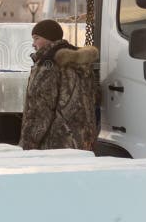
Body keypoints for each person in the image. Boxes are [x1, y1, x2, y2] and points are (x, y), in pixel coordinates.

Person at [18, 20, 99, 151]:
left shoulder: (47, 65)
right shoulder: (81, 64)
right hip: (84, 143)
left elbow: (40, 110)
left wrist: (28, 145)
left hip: (57, 145)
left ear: (49, 39)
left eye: (36, 38)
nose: (33, 44)